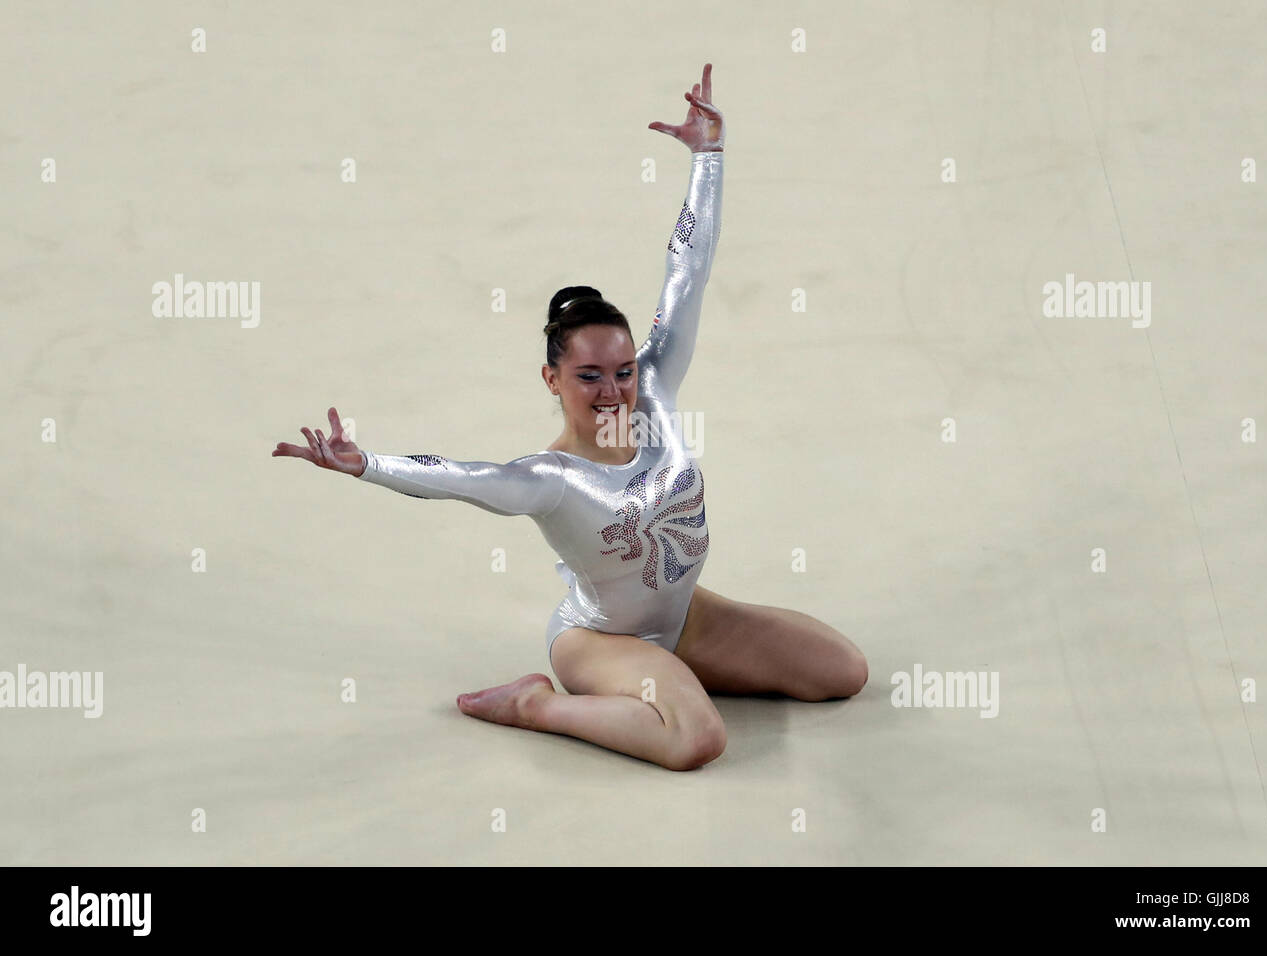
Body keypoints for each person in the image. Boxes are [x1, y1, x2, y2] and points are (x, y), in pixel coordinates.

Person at [273, 64, 867, 771]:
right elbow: (460, 478)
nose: (614, 390)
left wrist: (708, 157)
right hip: (600, 641)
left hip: (684, 619)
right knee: (695, 741)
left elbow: (689, 269)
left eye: (622, 370)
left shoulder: (653, 392)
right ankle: (536, 704)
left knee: (843, 673)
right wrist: (365, 464)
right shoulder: (549, 479)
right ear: (552, 379)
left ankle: (671, 683)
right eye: (589, 376)